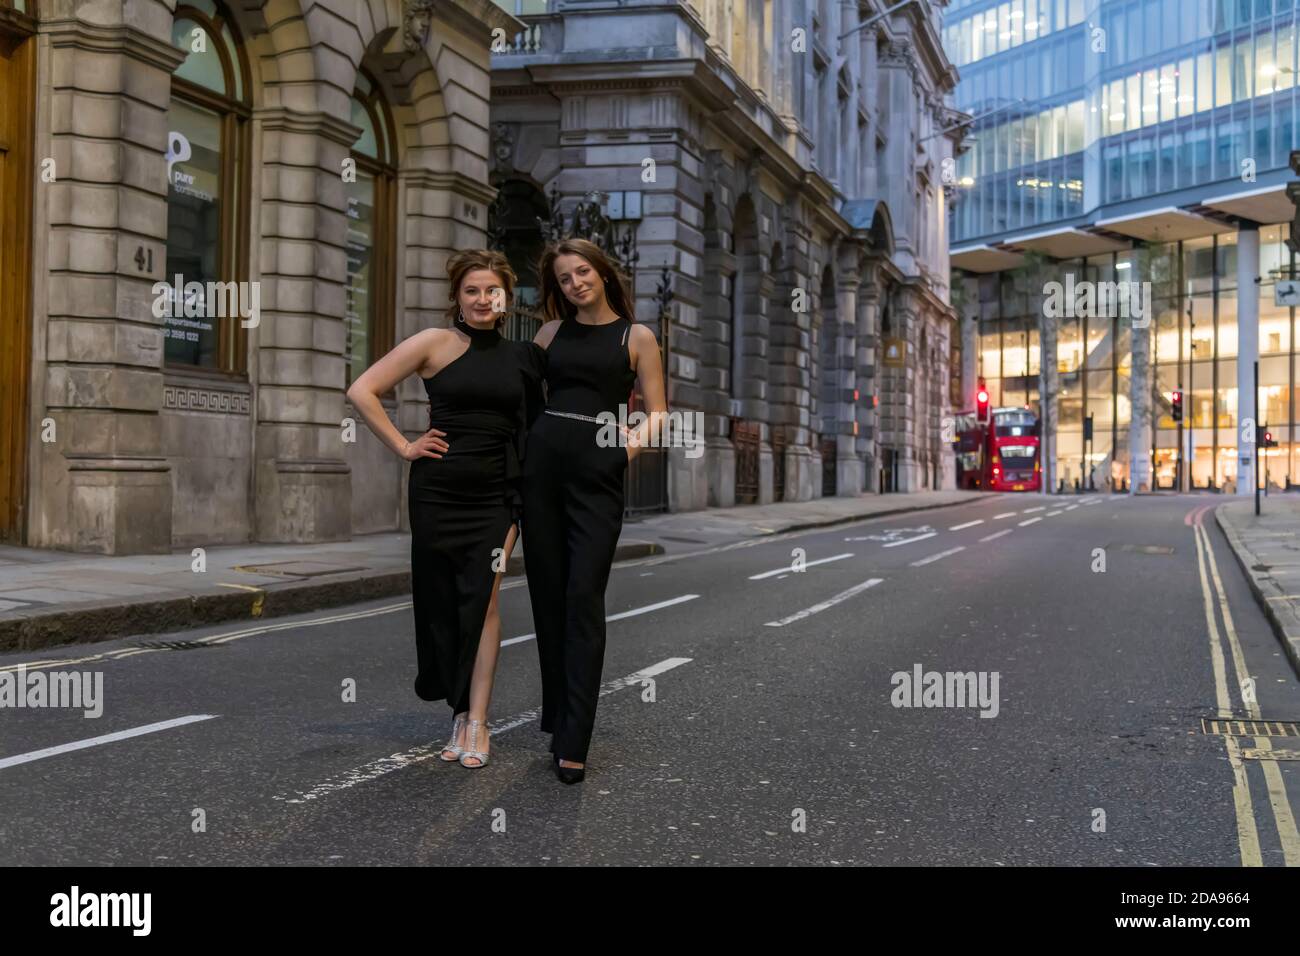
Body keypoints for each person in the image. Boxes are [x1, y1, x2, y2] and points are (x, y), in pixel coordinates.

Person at [347, 250, 545, 769]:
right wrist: (404, 446)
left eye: (493, 291)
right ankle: (458, 711)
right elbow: (362, 390)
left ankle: (477, 719)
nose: (483, 299)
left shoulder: (523, 356)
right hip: (437, 493)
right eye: (473, 291)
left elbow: (541, 424)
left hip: (498, 496)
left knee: (484, 600)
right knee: (442, 601)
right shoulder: (434, 343)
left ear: (506, 299)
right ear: (457, 297)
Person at [522, 238, 668, 785]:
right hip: (542, 476)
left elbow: (657, 412)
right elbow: (522, 402)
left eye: (582, 271)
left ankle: (575, 738)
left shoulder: (637, 337)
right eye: (564, 278)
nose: (575, 282)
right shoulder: (549, 334)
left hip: (596, 480)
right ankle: (558, 720)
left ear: (603, 274)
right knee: (548, 599)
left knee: (583, 597)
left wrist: (623, 449)